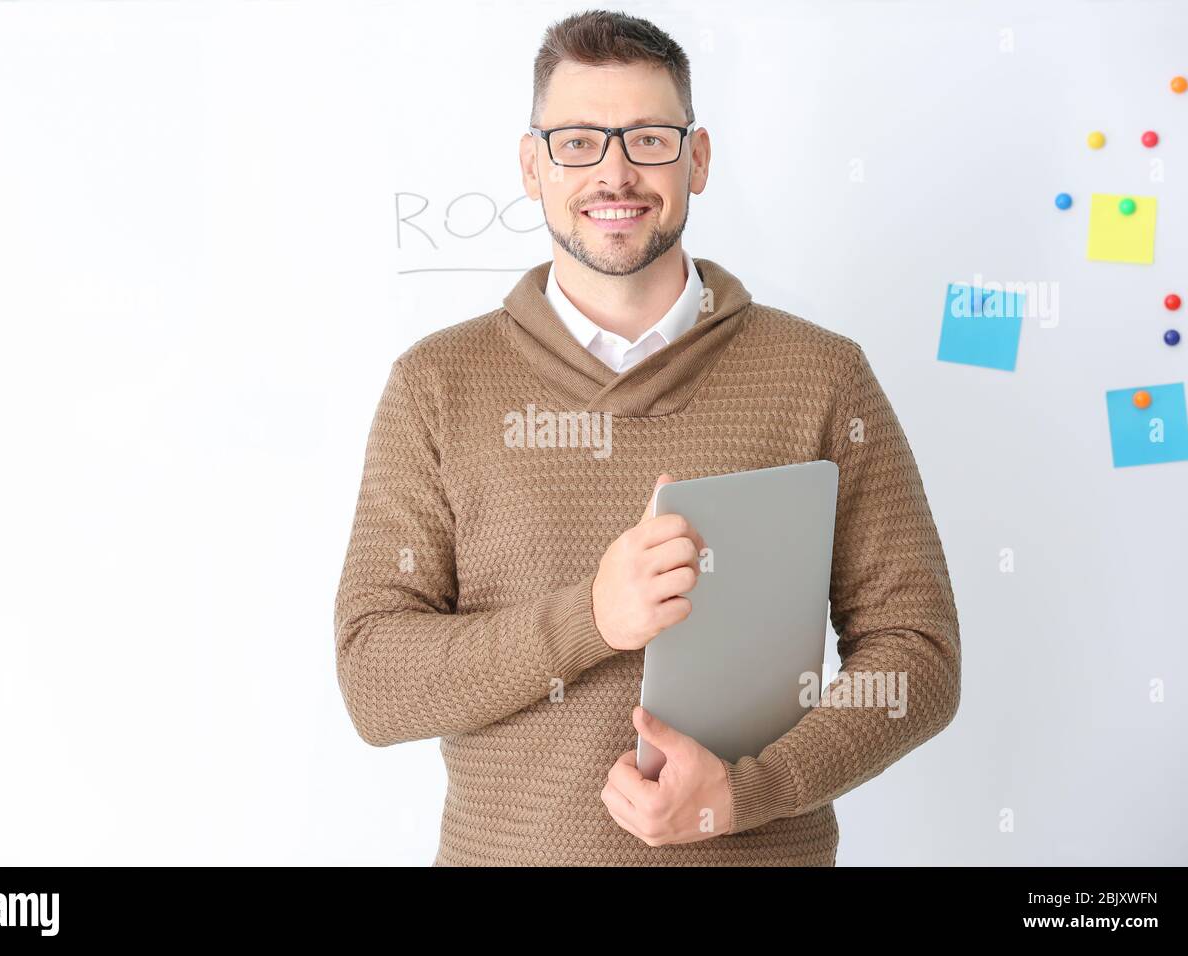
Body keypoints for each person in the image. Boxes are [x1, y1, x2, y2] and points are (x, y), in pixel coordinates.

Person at [334, 9, 960, 865]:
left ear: (697, 160)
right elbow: (375, 681)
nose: (616, 173)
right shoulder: (436, 385)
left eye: (649, 139)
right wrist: (590, 618)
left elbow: (918, 657)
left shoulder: (822, 374)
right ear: (533, 166)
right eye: (579, 142)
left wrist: (746, 793)